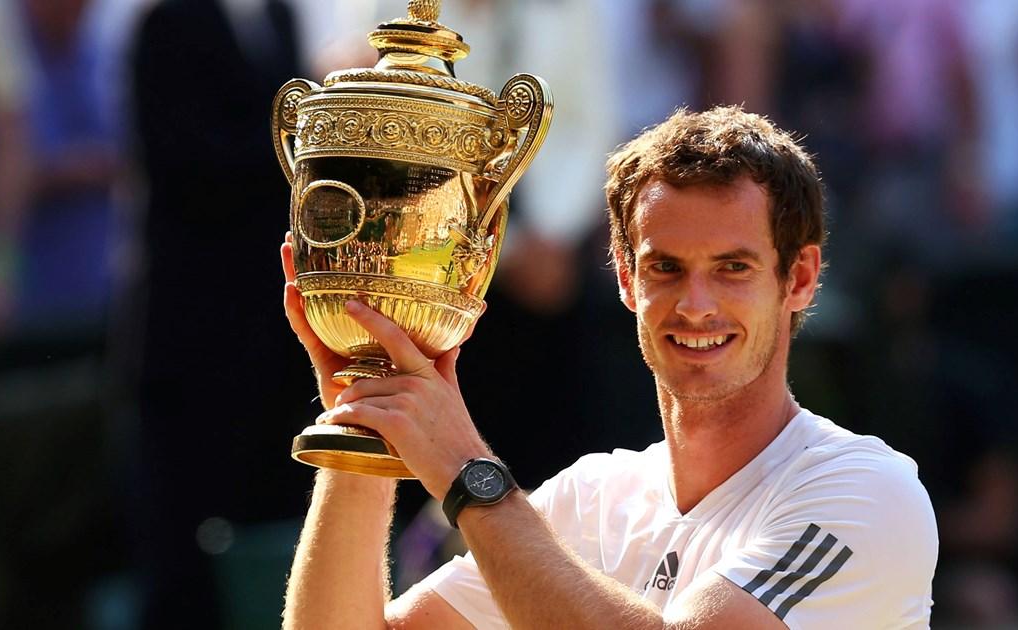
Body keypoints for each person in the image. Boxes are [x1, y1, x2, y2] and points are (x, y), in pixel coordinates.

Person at [281, 106, 938, 629]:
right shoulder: (587, 499)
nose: (696, 304)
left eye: (733, 268)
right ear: (625, 278)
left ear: (798, 278)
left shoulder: (869, 492)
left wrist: (466, 474)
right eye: (665, 268)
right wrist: (365, 411)